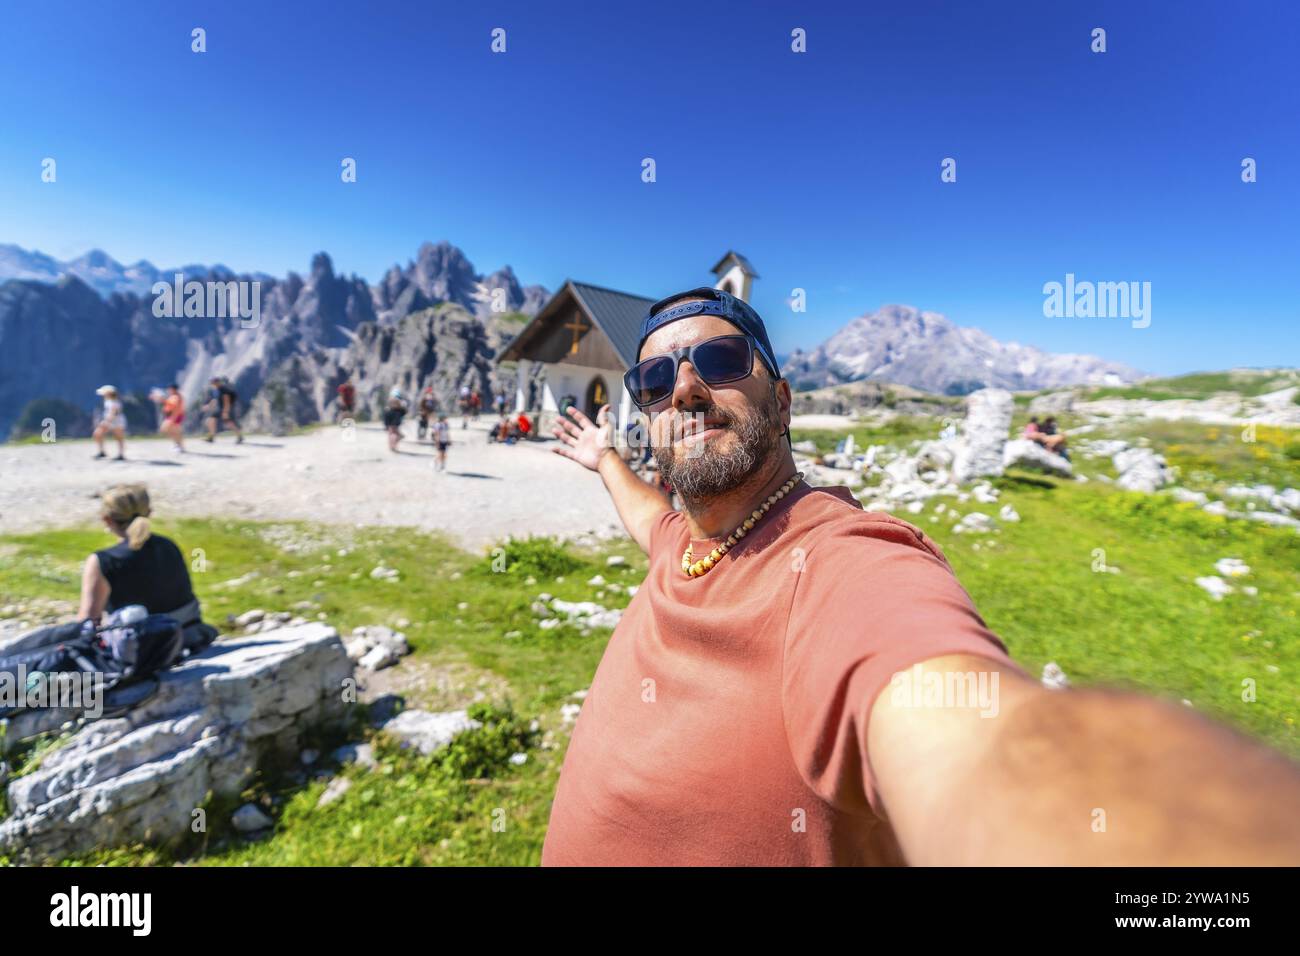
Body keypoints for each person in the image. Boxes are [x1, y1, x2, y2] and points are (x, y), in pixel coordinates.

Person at [543, 285, 1300, 866]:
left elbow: (974, 738)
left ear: (782, 401)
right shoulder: (689, 539)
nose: (684, 390)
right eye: (654, 379)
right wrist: (605, 461)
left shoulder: (845, 561)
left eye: (719, 361)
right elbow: (652, 521)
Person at [203, 376, 243, 444]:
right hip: (220, 408)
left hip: (226, 408)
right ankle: (211, 437)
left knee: (229, 423)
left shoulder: (223, 389)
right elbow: (215, 399)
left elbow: (226, 400)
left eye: (213, 383)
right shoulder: (217, 390)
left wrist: (225, 411)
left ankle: (239, 436)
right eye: (212, 383)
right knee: (211, 420)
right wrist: (209, 405)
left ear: (217, 382)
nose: (212, 384)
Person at [92, 385, 127, 460]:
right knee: (97, 434)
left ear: (108, 393)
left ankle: (120, 454)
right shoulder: (109, 401)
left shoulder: (114, 402)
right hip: (112, 421)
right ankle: (102, 452)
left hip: (116, 421)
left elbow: (113, 413)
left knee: (118, 437)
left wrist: (106, 422)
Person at [159, 383, 185, 453]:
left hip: (174, 416)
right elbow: (169, 404)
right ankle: (179, 445)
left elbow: (174, 406)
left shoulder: (176, 396)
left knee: (169, 430)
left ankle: (178, 445)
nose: (168, 390)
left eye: (169, 389)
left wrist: (173, 418)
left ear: (172, 389)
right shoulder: (175, 396)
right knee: (174, 431)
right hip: (173, 415)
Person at [383, 388, 406, 452]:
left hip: (389, 420)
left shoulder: (388, 405)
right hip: (396, 420)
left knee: (391, 433)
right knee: (395, 434)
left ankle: (391, 446)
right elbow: (403, 412)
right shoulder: (400, 404)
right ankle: (394, 446)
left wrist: (385, 424)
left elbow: (385, 414)